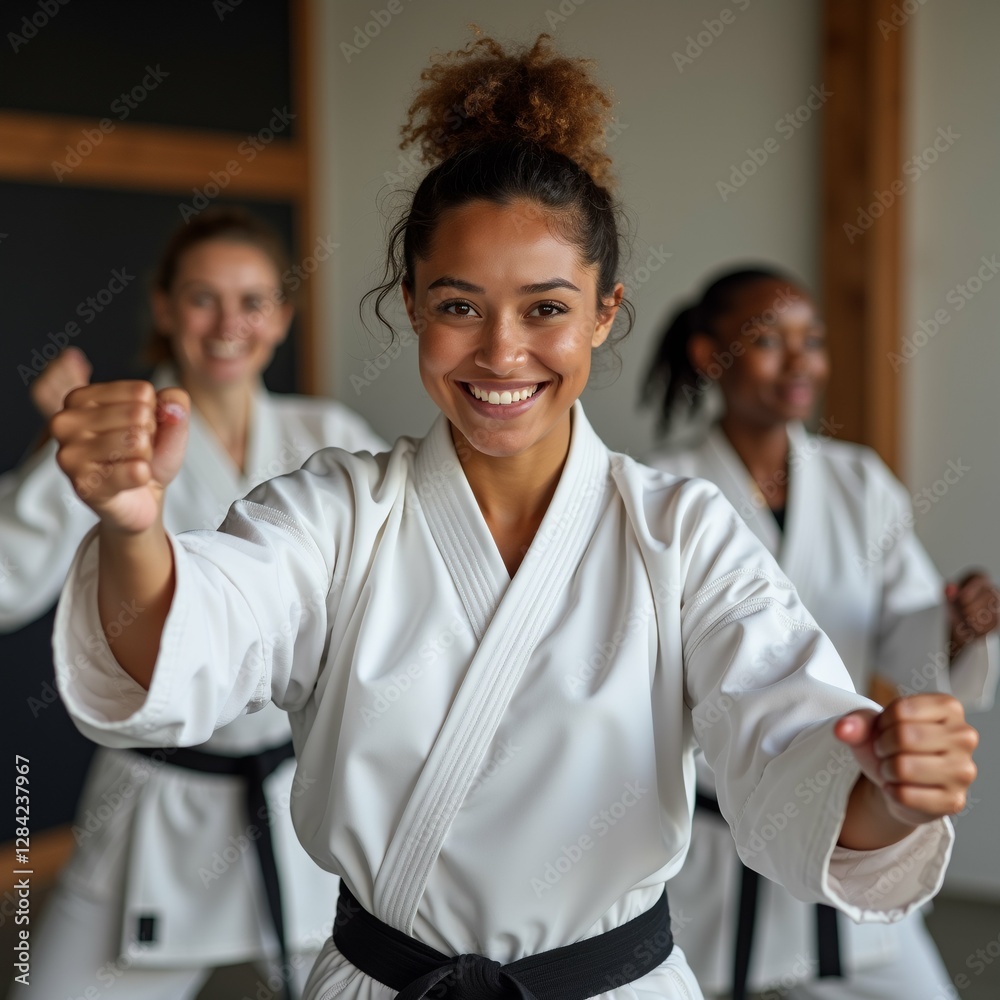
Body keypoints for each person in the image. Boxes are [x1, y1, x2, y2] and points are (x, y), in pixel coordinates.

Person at [48, 38, 978, 1000]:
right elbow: (192, 636)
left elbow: (791, 755)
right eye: (459, 304)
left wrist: (893, 791)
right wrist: (130, 526)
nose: (501, 352)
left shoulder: (680, 533)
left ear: (605, 313)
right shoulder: (332, 513)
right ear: (410, 303)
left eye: (545, 308)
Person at [2, 208, 386, 1000]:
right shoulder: (120, 432)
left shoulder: (329, 434)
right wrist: (58, 453)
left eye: (252, 301)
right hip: (158, 804)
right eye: (203, 298)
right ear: (168, 309)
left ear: (280, 318)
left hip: (297, 804)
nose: (227, 324)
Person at [642, 265, 998, 999]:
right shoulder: (660, 493)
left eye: (814, 340)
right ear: (711, 357)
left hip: (852, 818)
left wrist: (956, 630)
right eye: (771, 340)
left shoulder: (859, 483)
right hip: (711, 854)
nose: (801, 361)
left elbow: (905, 632)